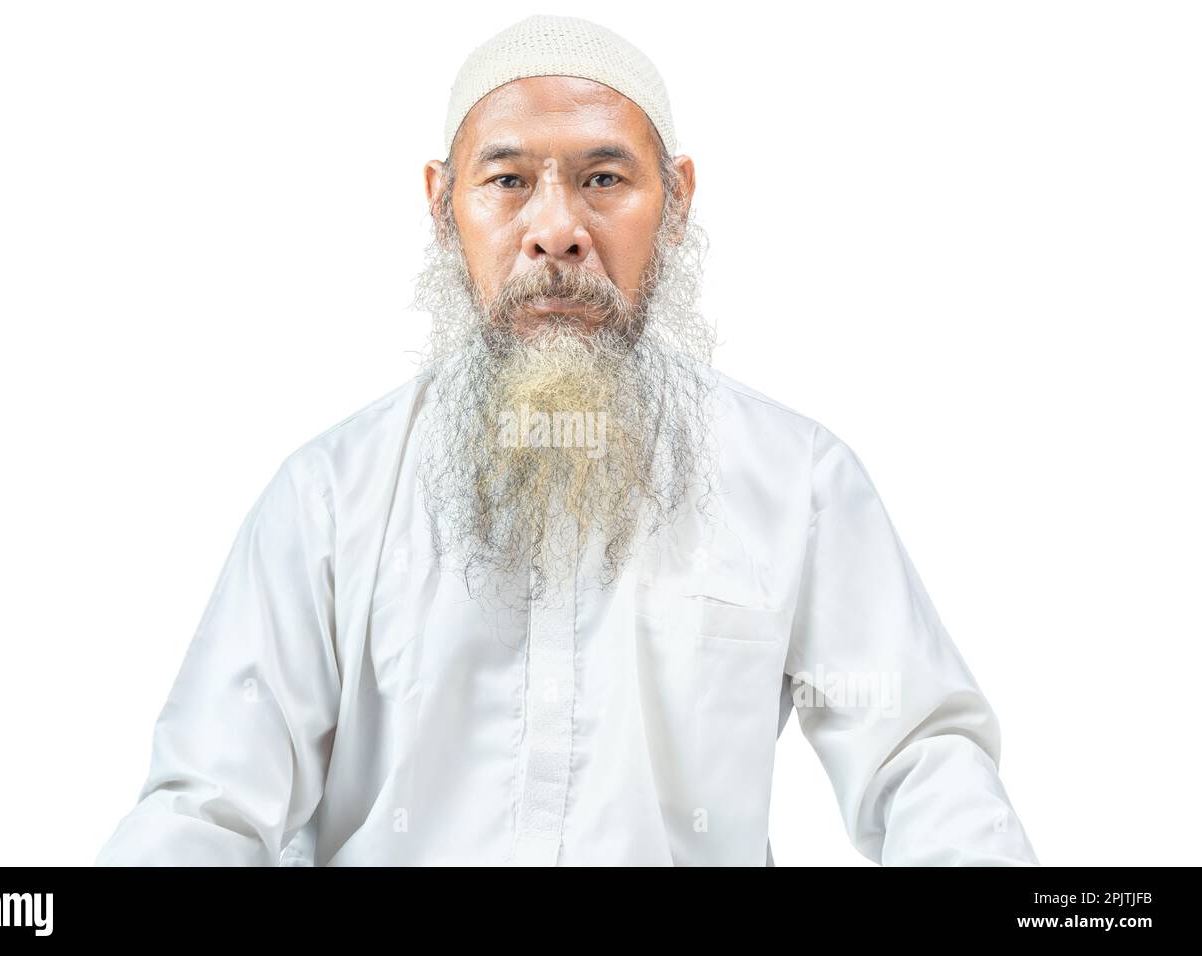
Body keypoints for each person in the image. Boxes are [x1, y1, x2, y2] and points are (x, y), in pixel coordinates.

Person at [95, 13, 1039, 866]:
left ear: (676, 202)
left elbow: (919, 761)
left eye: (603, 179)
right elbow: (210, 811)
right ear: (441, 204)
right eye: (508, 181)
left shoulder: (797, 482)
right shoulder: (330, 497)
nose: (556, 229)